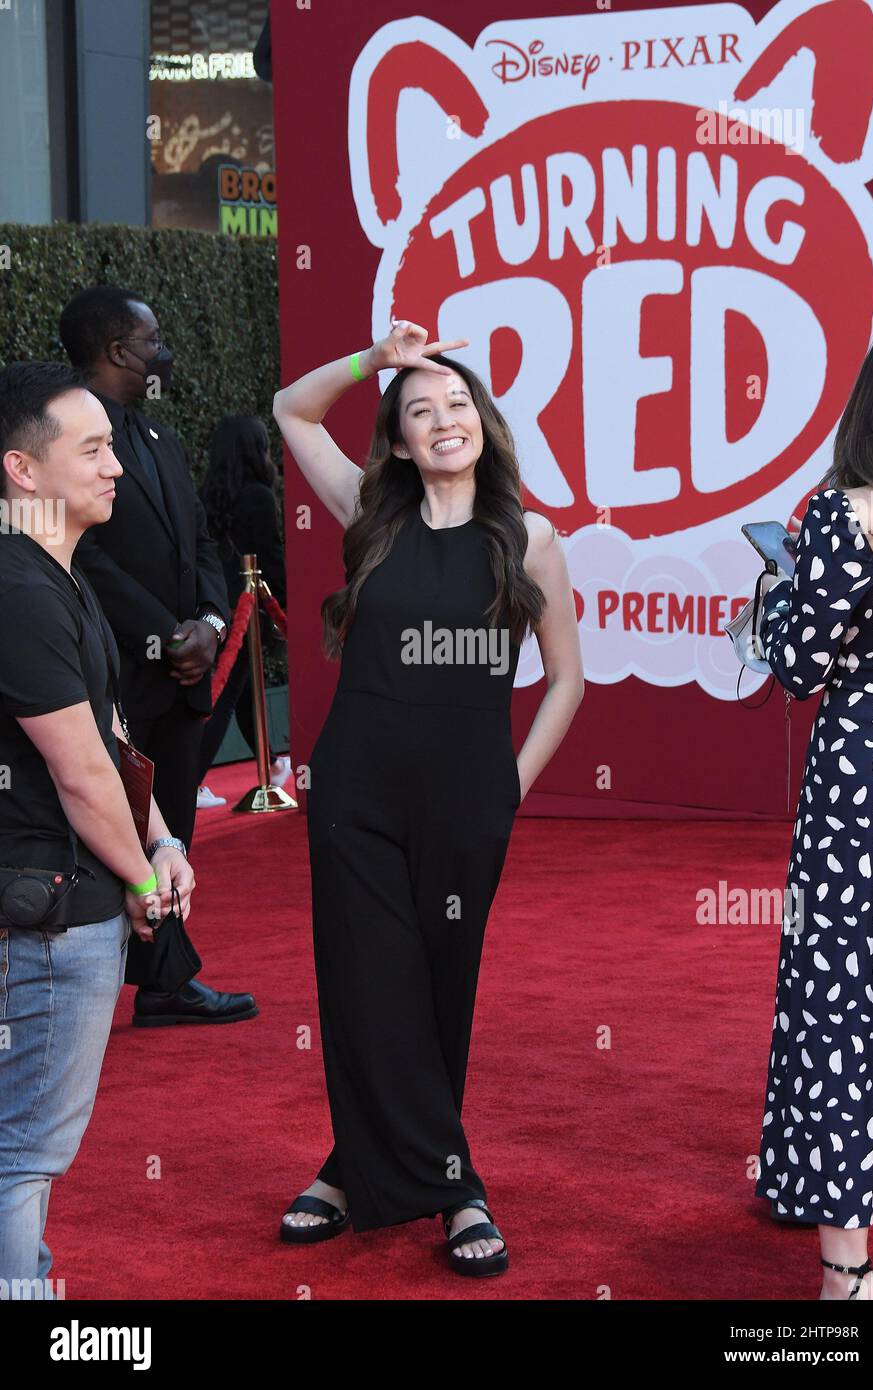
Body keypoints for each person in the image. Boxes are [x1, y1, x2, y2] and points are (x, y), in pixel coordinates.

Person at [273, 319, 584, 1275]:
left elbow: (567, 679)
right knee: (367, 987)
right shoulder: (369, 509)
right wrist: (376, 358)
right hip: (355, 795)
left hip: (464, 803)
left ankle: (352, 1166)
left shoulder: (528, 539)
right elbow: (292, 407)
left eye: (456, 404)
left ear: (483, 425)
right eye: (420, 410)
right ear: (399, 440)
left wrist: (510, 784)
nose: (442, 419)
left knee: (439, 989)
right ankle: (453, 1188)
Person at [0, 362, 195, 1293]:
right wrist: (148, 880)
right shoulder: (18, 588)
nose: (114, 466)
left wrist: (160, 841)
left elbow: (112, 741)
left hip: (67, 898)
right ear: (23, 470)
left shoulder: (57, 574)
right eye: (91, 449)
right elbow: (78, 775)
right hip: (41, 914)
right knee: (21, 1152)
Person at [754, 307, 873, 1300]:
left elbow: (798, 668)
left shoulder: (849, 512)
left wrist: (775, 600)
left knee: (842, 1016)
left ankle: (846, 1281)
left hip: (864, 790)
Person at [58, 286, 256, 1027]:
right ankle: (81, 985)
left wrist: (205, 623)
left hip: (180, 676)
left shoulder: (157, 438)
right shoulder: (63, 434)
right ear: (116, 350)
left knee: (169, 826)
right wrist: (164, 633)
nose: (162, 351)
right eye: (153, 339)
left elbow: (202, 540)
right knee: (103, 826)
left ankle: (165, 980)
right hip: (110, 673)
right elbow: (82, 552)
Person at [197, 414, 290, 793]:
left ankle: (268, 762)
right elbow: (271, 557)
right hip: (245, 608)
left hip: (218, 605)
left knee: (241, 688)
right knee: (225, 695)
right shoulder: (258, 496)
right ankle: (191, 780)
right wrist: (288, 611)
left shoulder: (209, 495)